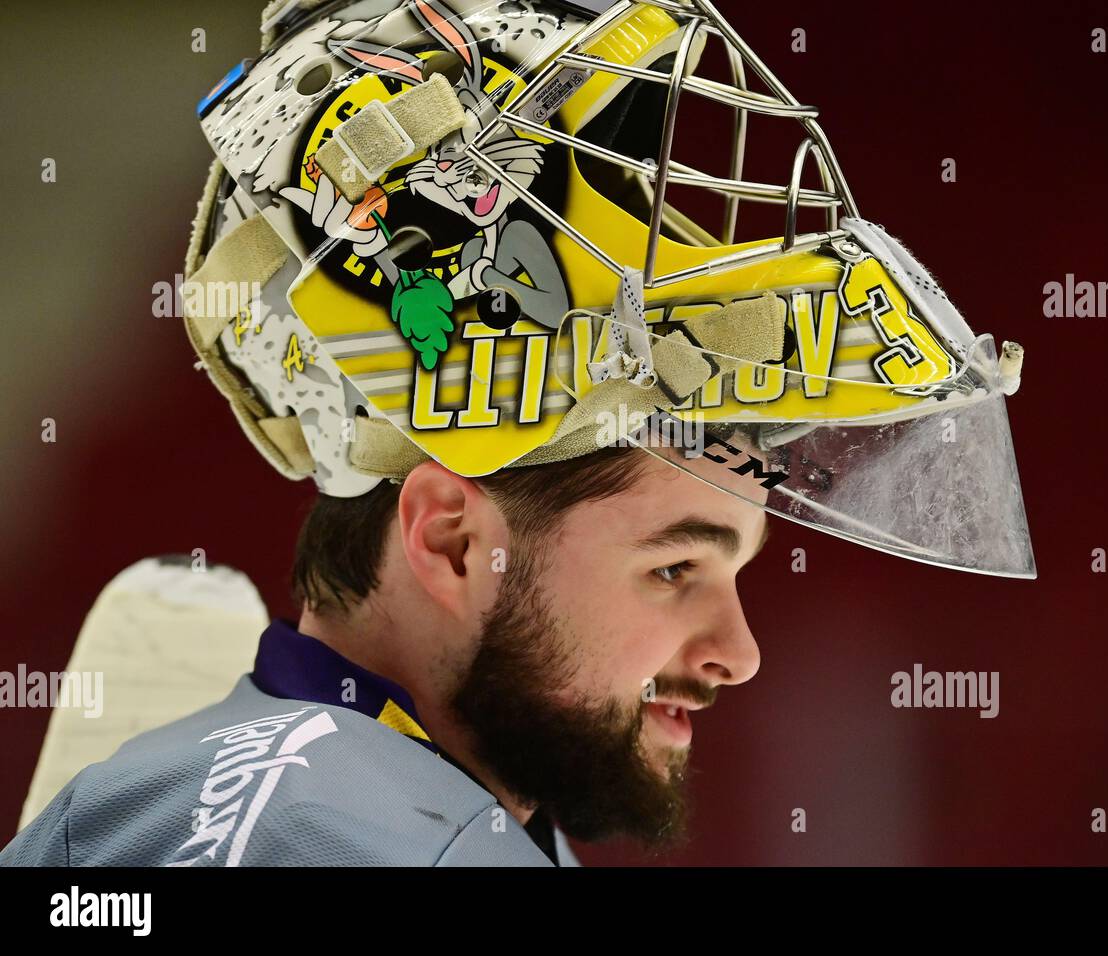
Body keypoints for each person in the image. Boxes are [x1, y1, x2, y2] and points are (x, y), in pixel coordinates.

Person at [2, 0, 1036, 866]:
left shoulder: (365, 804)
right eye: (675, 566)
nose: (740, 652)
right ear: (451, 538)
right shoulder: (358, 838)